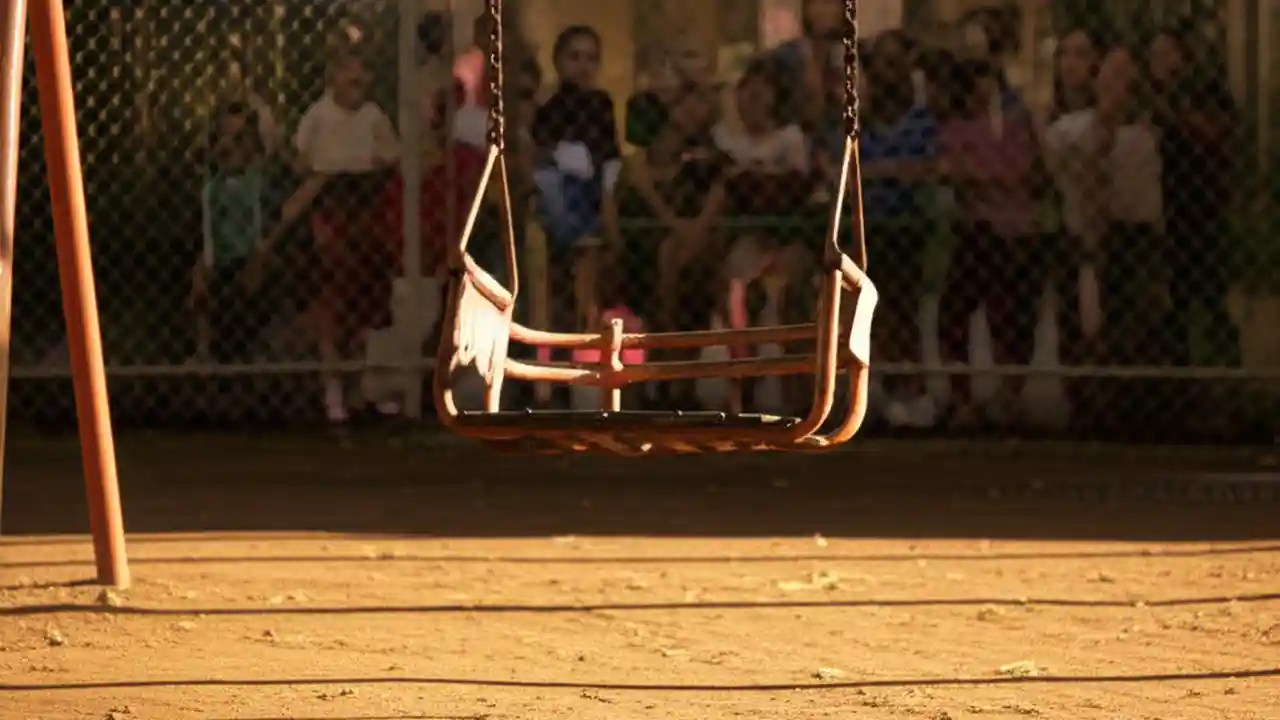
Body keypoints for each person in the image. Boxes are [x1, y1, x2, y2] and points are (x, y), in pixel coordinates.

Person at [253, 43, 401, 425]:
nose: (356, 79)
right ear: (331, 77)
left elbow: (389, 155)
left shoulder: (372, 116)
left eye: (362, 72)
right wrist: (324, 169)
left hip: (364, 203)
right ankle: (333, 387)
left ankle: (360, 386)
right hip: (330, 205)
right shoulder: (319, 115)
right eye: (347, 71)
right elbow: (304, 161)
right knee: (334, 298)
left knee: (366, 299)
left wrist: (366, 163)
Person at [1045, 45, 1165, 427]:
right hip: (1082, 236)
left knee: (1129, 325)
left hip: (1134, 236)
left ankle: (1128, 406)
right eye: (1111, 74)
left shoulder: (1147, 133)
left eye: (1127, 76)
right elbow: (1068, 169)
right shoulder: (1070, 128)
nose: (1119, 84)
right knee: (1080, 323)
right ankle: (1083, 406)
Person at [936, 59, 1040, 428]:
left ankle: (1011, 396)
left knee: (1010, 314)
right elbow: (951, 172)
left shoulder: (1014, 125)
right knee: (952, 315)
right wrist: (988, 177)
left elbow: (1022, 169)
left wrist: (981, 175)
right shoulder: (957, 128)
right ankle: (964, 400)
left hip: (1015, 231)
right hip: (977, 230)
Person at [857, 30, 939, 429]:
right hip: (869, 228)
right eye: (880, 66)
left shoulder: (921, 120)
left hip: (907, 229)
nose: (888, 74)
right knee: (870, 314)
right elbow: (848, 171)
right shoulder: (862, 122)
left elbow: (924, 169)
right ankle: (876, 393)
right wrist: (887, 173)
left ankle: (912, 391)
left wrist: (881, 173)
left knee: (904, 311)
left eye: (895, 64)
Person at [1147, 25, 1238, 367]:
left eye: (1167, 51)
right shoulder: (1148, 98)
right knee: (1176, 297)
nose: (1160, 60)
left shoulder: (1208, 89)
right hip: (1167, 209)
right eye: (1154, 54)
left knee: (1213, 294)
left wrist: (1177, 112)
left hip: (1204, 208)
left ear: (1183, 56)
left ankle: (1227, 368)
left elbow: (1221, 136)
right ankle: (1179, 369)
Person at [532, 25, 623, 336]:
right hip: (561, 197)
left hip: (593, 192)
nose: (583, 65)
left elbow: (608, 156)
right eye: (575, 57)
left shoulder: (600, 102)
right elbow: (545, 151)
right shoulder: (550, 105)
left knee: (583, 278)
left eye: (590, 58)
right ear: (558, 61)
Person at [187, 101, 277, 364]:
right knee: (201, 285)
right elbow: (208, 229)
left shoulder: (257, 178)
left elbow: (270, 141)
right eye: (224, 137)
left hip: (251, 251)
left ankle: (258, 348)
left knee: (255, 283)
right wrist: (206, 262)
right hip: (223, 255)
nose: (231, 146)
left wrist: (259, 252)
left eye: (239, 138)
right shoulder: (213, 187)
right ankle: (204, 351)